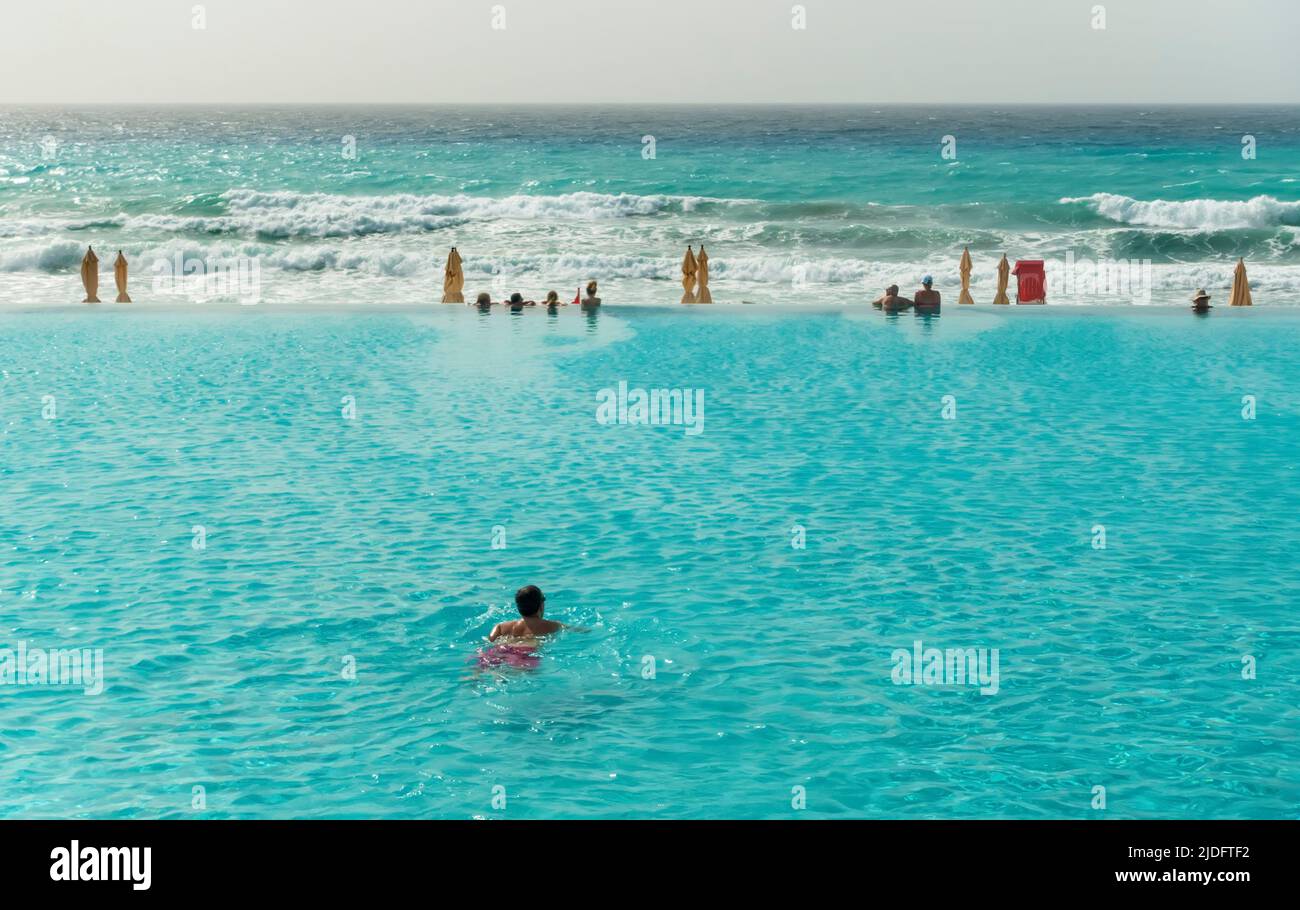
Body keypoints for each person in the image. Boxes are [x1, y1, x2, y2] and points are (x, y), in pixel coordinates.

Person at [489, 586, 566, 642]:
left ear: (518, 607)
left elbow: (490, 641)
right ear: (540, 605)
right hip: (527, 654)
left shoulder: (500, 627)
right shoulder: (554, 626)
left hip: (499, 651)